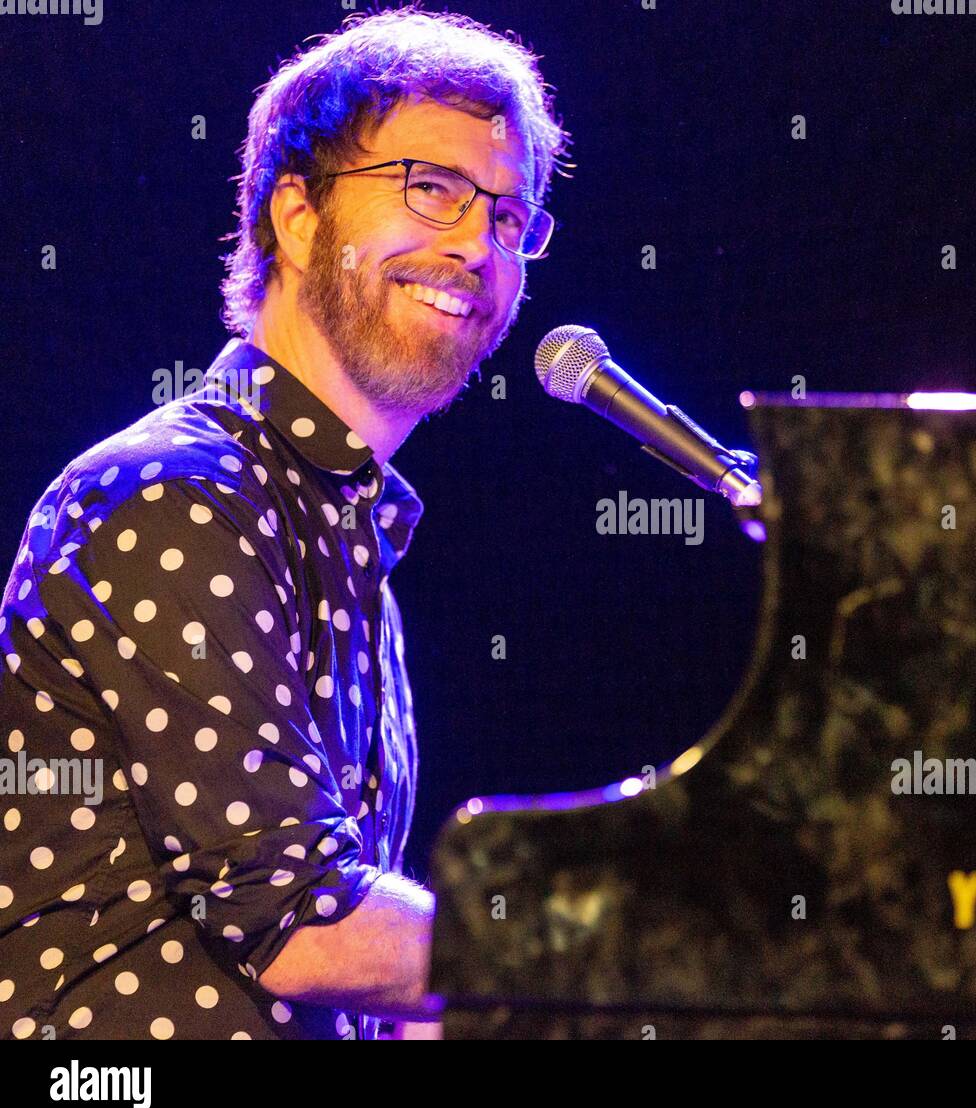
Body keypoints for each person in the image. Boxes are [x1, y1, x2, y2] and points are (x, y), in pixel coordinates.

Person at [0, 6, 571, 1040]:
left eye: (507, 216)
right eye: (433, 190)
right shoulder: (176, 492)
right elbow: (305, 919)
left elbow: (353, 982)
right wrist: (603, 956)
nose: (477, 246)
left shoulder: (338, 526)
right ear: (297, 215)